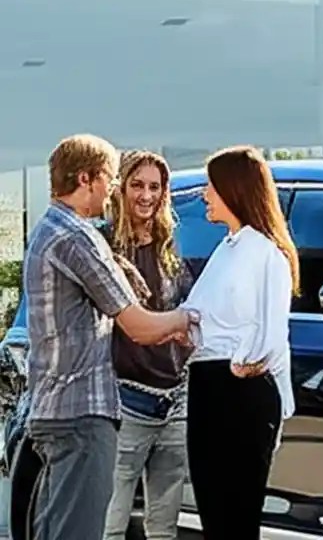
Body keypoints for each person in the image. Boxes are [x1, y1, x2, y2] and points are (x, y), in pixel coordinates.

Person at [22, 134, 198, 540]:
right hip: (80, 412)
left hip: (59, 411)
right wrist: (189, 318)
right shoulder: (78, 237)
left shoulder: (51, 229)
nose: (115, 189)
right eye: (113, 178)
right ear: (86, 178)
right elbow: (136, 325)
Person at [182, 145, 298, 539]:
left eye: (211, 186)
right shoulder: (226, 249)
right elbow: (195, 314)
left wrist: (242, 365)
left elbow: (273, 328)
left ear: (233, 189)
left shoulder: (267, 253)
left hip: (238, 389)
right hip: (207, 386)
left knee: (236, 516)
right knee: (213, 514)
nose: (205, 195)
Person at [102, 151, 195, 540]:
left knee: (164, 525)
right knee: (110, 520)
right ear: (121, 189)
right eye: (137, 185)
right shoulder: (103, 245)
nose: (146, 195)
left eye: (154, 187)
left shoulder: (167, 247)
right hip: (127, 398)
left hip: (176, 399)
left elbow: (185, 312)